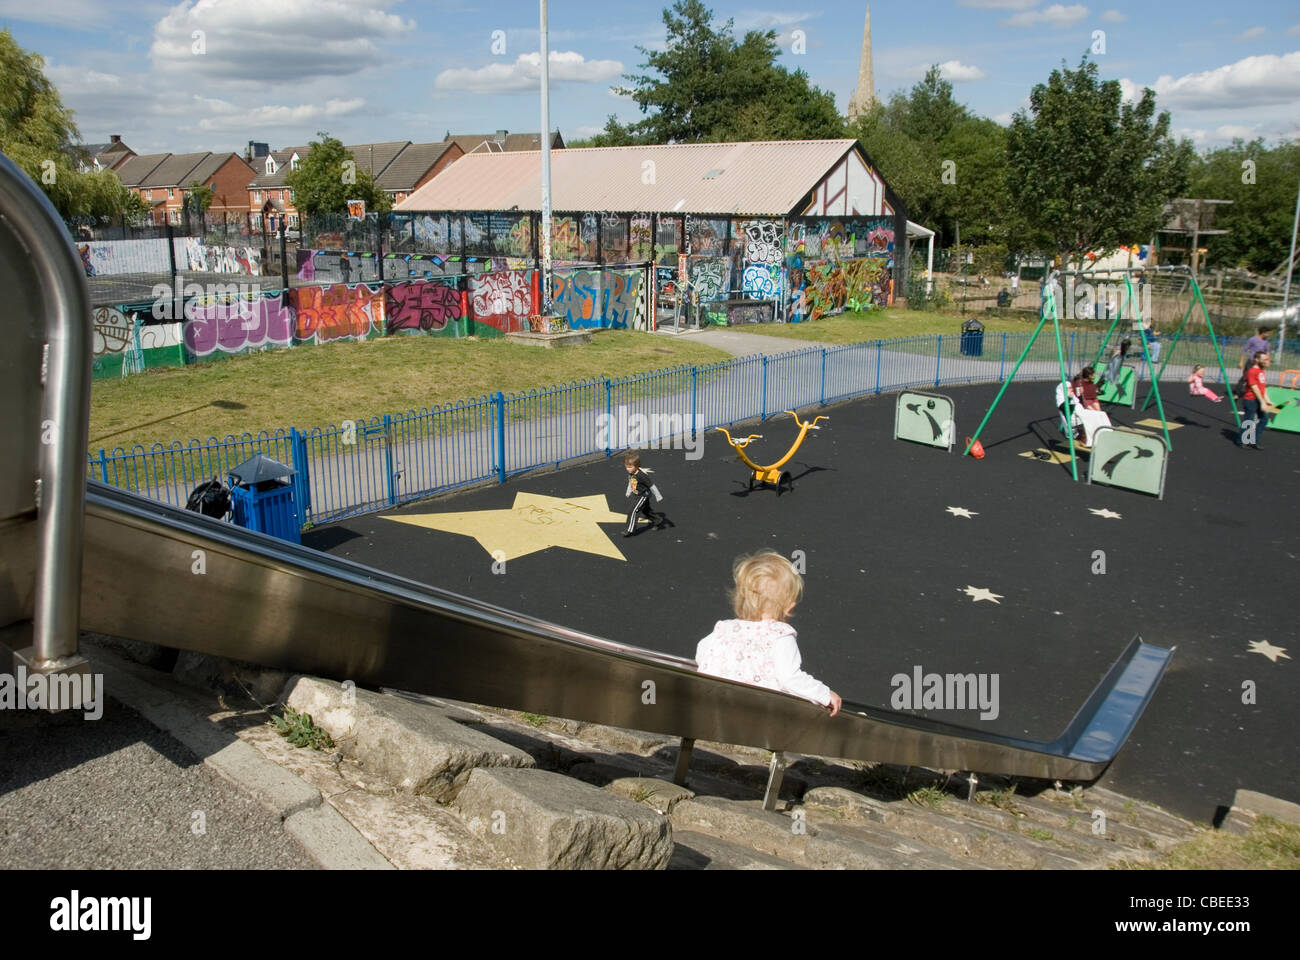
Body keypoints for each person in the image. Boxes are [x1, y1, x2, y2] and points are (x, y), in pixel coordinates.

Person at [695, 551, 842, 717]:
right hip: (755, 713)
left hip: (711, 706)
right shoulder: (779, 635)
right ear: (789, 607)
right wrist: (824, 694)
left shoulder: (723, 629)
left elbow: (702, 654)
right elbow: (790, 678)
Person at [1239, 351, 1281, 449]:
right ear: (1257, 360)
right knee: (1249, 420)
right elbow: (1254, 388)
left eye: (1267, 359)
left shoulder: (1261, 371)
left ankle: (1253, 441)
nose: (1266, 361)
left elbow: (1262, 387)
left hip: (1259, 400)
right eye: (1264, 359)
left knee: (1264, 419)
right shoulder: (1252, 371)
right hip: (1251, 400)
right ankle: (1242, 441)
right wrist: (1262, 402)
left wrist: (1268, 400)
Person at [623, 452, 668, 536]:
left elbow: (652, 486)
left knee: (633, 511)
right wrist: (628, 491)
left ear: (636, 466)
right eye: (626, 467)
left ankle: (630, 529)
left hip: (643, 496)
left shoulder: (642, 476)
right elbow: (631, 483)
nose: (628, 469)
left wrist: (658, 496)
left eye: (630, 467)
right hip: (637, 495)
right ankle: (658, 520)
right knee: (646, 511)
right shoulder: (631, 473)